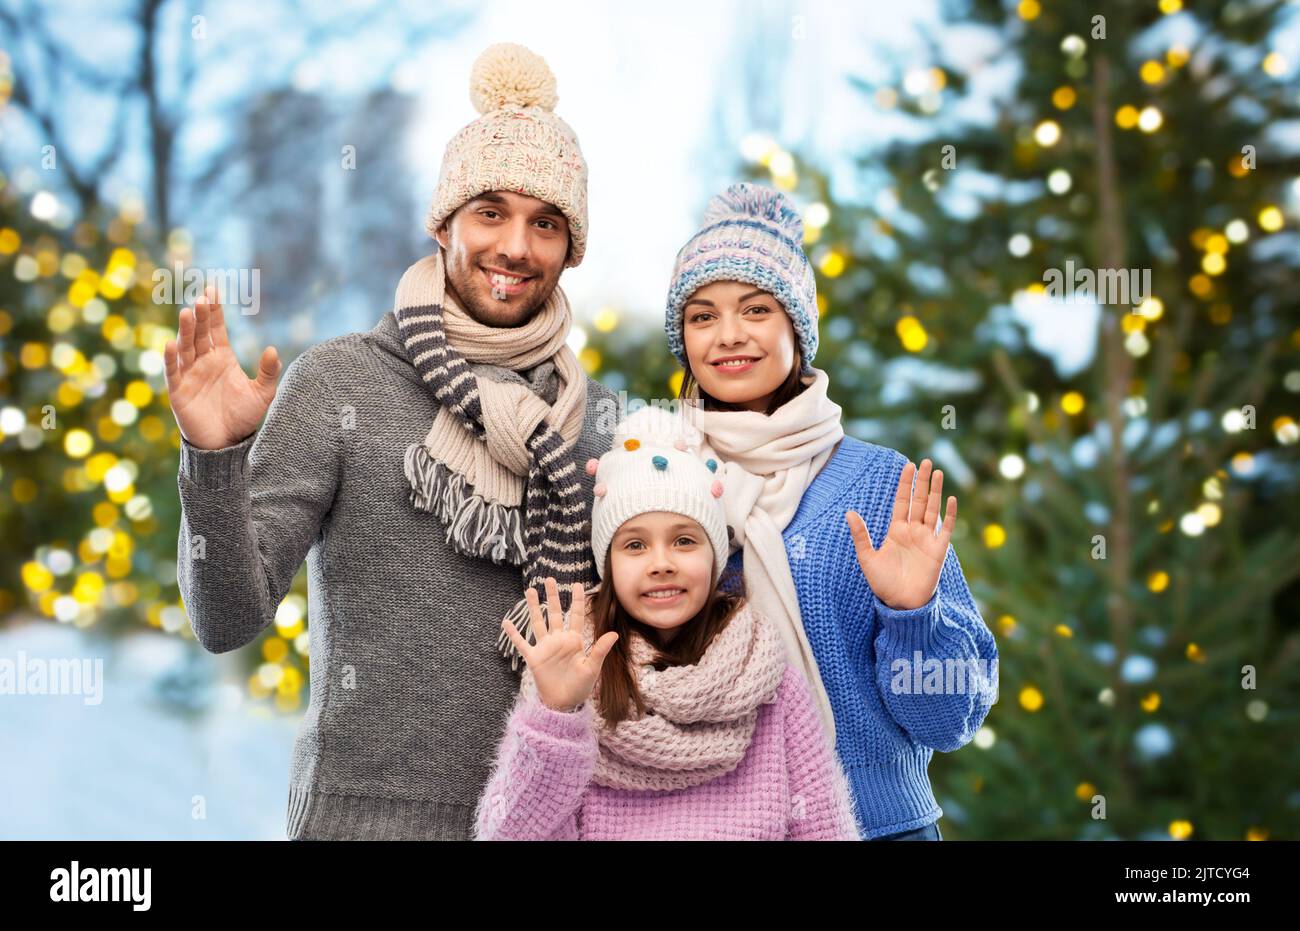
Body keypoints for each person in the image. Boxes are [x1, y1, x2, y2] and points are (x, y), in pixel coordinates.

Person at [165, 43, 616, 839]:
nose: (516, 246)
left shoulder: (598, 422)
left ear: (569, 250)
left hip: (546, 822)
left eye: (546, 223)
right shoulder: (340, 383)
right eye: (490, 212)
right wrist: (213, 463)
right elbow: (226, 619)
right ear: (443, 223)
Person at [661, 182, 999, 840]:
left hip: (876, 827)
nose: (728, 334)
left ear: (796, 326)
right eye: (702, 315)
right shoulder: (661, 479)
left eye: (755, 309)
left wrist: (912, 617)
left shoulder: (879, 484)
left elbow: (949, 722)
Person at [475, 407, 860, 840]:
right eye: (635, 545)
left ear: (714, 556)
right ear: (608, 564)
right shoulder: (575, 680)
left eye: (684, 541)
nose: (661, 564)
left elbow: (824, 830)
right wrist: (558, 715)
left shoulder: (772, 686)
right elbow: (510, 833)